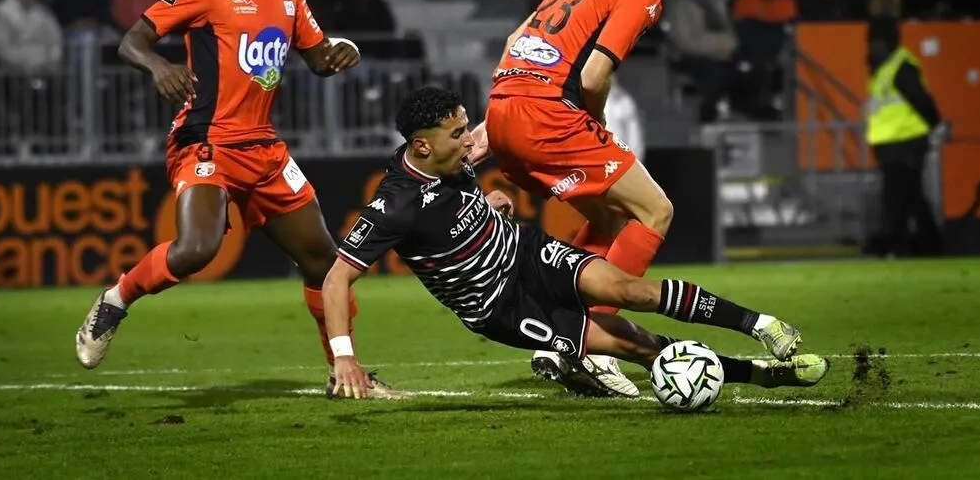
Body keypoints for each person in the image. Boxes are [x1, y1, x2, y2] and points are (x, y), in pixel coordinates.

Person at [74, 0, 402, 399]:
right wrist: (157, 66)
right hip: (207, 141)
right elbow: (132, 41)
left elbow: (316, 56)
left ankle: (347, 372)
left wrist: (342, 51)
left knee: (325, 261)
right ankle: (116, 298)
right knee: (198, 249)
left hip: (264, 148)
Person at [467, 0, 797, 395]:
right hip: (547, 117)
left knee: (609, 217)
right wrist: (593, 125)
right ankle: (593, 339)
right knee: (655, 210)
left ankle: (560, 334)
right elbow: (593, 77)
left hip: (505, 108)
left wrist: (497, 119)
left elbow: (518, 38)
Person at [323, 87, 829, 399]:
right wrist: (344, 356)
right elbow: (336, 277)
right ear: (422, 145)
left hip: (524, 251)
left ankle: (762, 325)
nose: (469, 141)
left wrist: (489, 204)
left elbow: (463, 201)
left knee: (629, 290)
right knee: (633, 344)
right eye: (458, 134)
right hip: (499, 304)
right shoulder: (395, 205)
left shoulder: (451, 159)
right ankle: (764, 377)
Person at [866, 19, 945, 257]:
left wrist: (935, 124)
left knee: (898, 197)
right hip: (894, 143)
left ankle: (895, 244)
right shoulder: (886, 67)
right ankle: (926, 246)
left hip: (906, 140)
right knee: (910, 196)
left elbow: (920, 99)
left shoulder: (899, 66)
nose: (873, 46)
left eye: (877, 40)